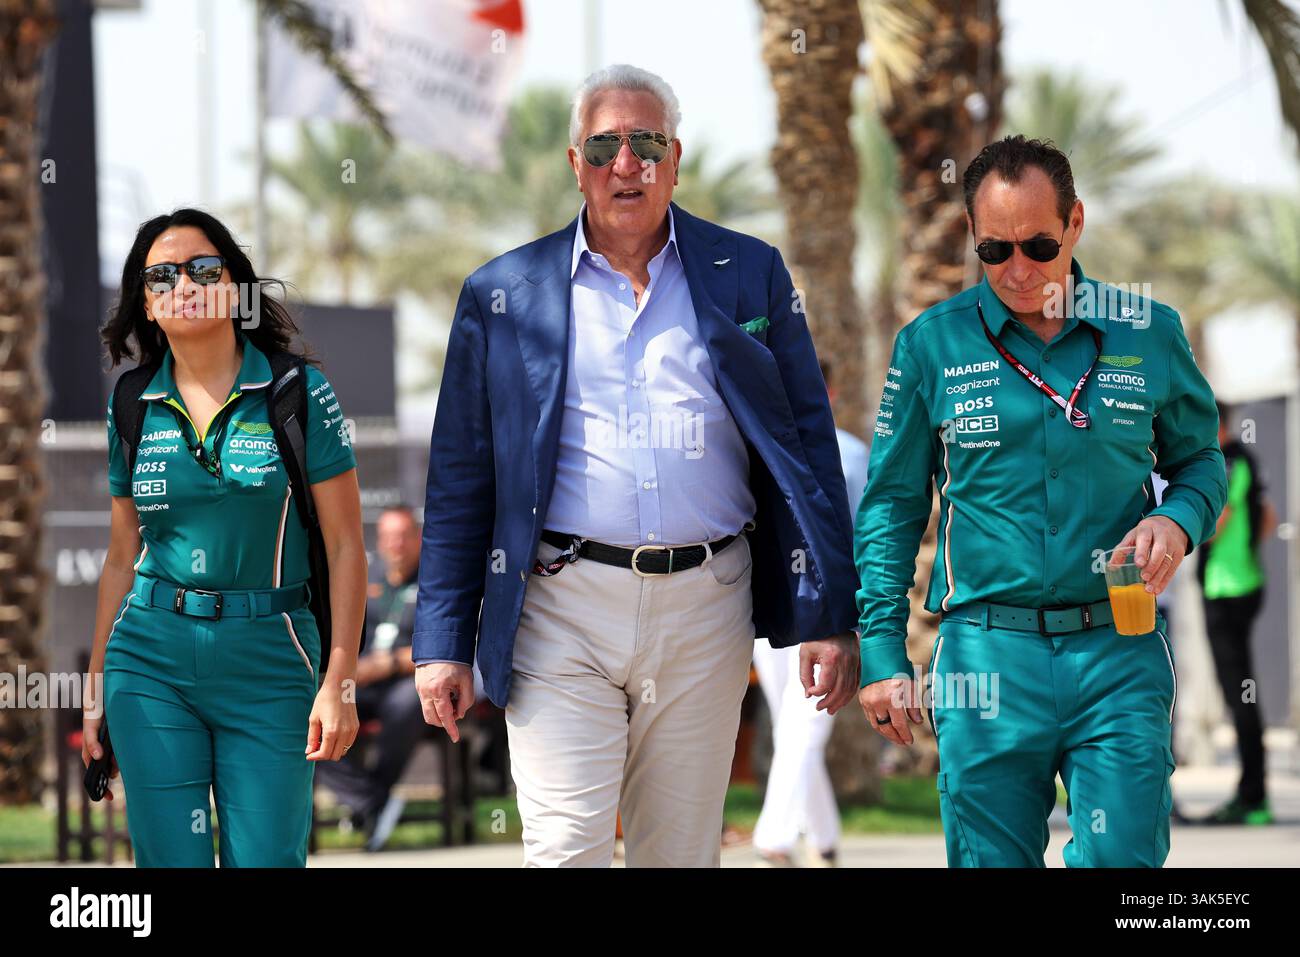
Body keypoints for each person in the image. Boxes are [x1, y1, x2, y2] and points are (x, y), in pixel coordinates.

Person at [413, 64, 860, 867]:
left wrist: (826, 612)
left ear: (676, 160)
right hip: (560, 609)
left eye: (647, 143)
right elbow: (459, 479)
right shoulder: (501, 292)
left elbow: (807, 450)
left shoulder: (749, 272)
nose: (628, 163)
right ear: (575, 163)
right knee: (566, 847)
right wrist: (442, 641)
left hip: (706, 608)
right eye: (606, 145)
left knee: (678, 854)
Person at [855, 136, 1227, 867]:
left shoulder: (1148, 331)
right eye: (995, 251)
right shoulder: (931, 344)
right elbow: (892, 506)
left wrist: (1175, 520)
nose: (1018, 270)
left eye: (1039, 244)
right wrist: (879, 650)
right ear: (972, 238)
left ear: (1076, 224)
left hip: (1117, 649)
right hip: (987, 656)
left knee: (1123, 859)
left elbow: (1202, 462)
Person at [84, 209, 366, 867]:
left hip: (272, 657)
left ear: (235, 288)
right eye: (163, 275)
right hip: (149, 658)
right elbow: (122, 554)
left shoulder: (299, 393)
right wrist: (95, 685)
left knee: (267, 858)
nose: (183, 282)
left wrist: (340, 680)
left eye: (203, 269)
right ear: (147, 303)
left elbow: (348, 544)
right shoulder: (130, 402)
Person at [750, 361, 867, 867]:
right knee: (794, 725)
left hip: (830, 610)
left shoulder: (852, 453)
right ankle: (824, 838)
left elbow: (868, 531)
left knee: (808, 723)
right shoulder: (757, 446)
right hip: (774, 608)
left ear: (832, 392)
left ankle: (775, 836)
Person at [314, 504, 428, 850]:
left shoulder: (434, 579)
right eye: (389, 537)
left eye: (404, 536)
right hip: (361, 683)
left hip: (407, 681)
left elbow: (441, 644)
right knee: (311, 716)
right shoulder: (366, 577)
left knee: (409, 702)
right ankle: (374, 801)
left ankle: (372, 802)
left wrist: (389, 663)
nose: (397, 545)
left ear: (419, 539)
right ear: (379, 540)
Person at [1198, 402, 1277, 825]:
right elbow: (1268, 518)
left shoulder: (1225, 461)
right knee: (1242, 693)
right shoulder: (1249, 458)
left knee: (1241, 695)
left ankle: (1253, 797)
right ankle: (1253, 793)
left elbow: (1218, 518)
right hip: (1245, 584)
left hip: (1226, 590)